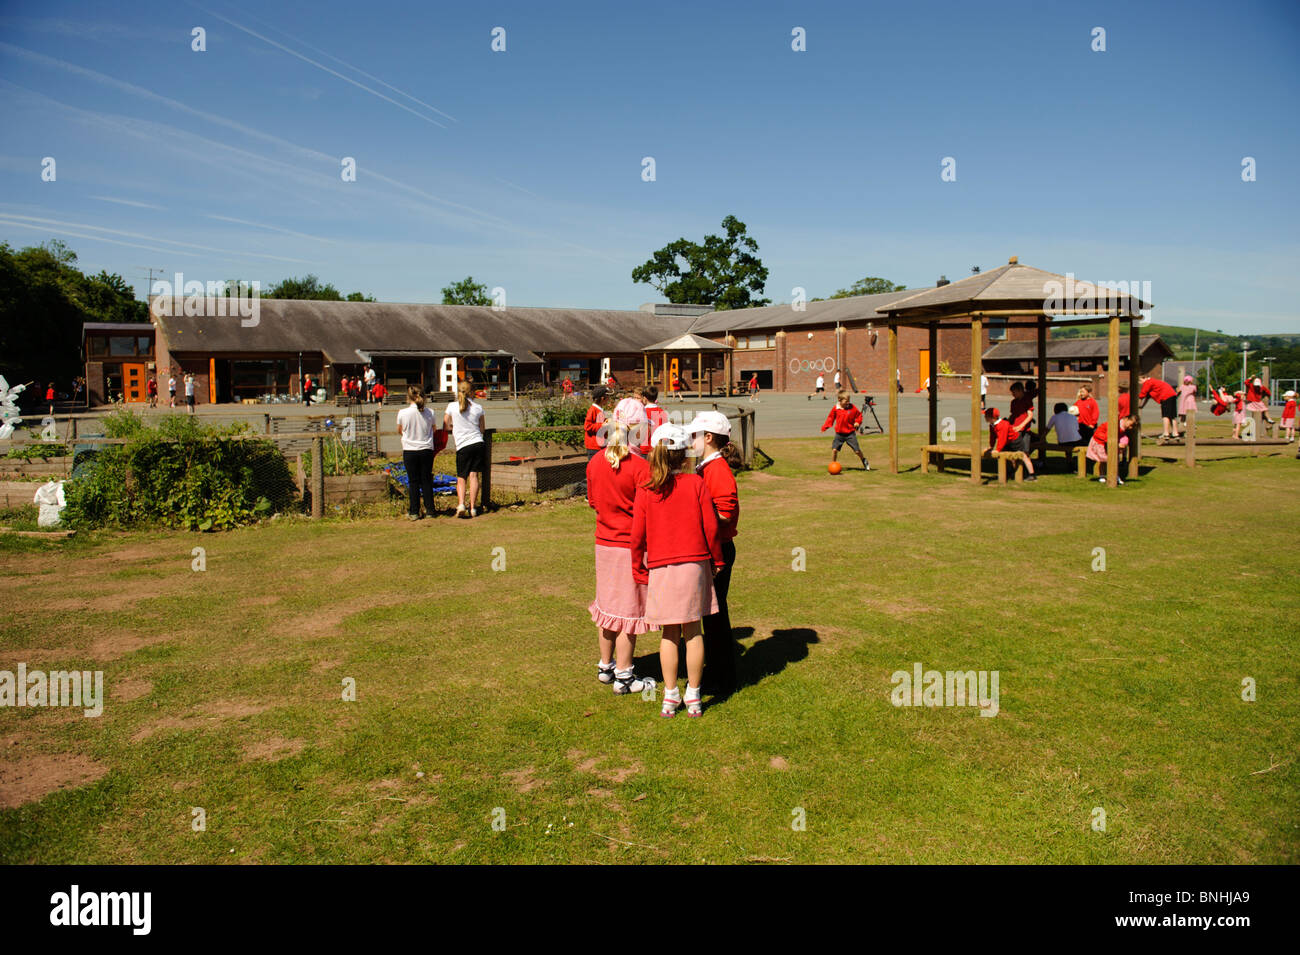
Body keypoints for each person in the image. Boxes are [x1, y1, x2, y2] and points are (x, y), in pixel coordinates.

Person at [630, 424, 723, 718]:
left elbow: (637, 535)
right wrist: (717, 559)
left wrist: (637, 567)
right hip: (694, 564)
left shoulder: (647, 490)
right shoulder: (696, 484)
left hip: (662, 566)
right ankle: (693, 693)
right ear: (684, 454)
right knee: (694, 630)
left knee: (669, 633)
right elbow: (710, 526)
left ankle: (671, 694)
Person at [586, 397, 654, 696]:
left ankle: (605, 665)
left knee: (608, 606)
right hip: (631, 546)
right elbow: (649, 512)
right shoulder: (640, 467)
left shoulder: (595, 462)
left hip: (604, 543)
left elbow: (593, 502)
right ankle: (625, 675)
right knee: (628, 612)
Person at [689, 411, 741, 697]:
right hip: (712, 546)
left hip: (718, 548)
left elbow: (725, 512)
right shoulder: (706, 466)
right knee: (711, 613)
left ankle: (722, 676)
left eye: (695, 435)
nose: (690, 440)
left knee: (715, 614)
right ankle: (717, 669)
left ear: (708, 438)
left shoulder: (717, 469)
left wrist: (693, 515)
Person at [397, 385, 440, 521]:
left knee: (413, 481)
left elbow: (400, 430)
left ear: (408, 397)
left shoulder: (402, 413)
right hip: (426, 448)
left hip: (410, 449)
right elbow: (434, 429)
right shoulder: (430, 412)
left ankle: (414, 511)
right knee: (426, 480)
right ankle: (430, 510)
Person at [444, 379, 486, 518]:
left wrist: (455, 428)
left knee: (461, 477)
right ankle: (473, 507)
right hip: (478, 442)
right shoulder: (478, 408)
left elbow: (446, 425)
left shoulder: (451, 406)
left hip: (462, 445)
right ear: (472, 391)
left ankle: (461, 503)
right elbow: (482, 428)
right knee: (474, 476)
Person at [983, 407, 1036, 481]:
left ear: (992, 417)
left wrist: (998, 449)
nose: (984, 417)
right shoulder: (992, 425)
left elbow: (1002, 438)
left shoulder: (1002, 425)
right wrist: (991, 447)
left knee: (1024, 456)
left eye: (986, 416)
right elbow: (992, 437)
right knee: (1005, 457)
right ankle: (1009, 472)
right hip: (1007, 442)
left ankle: (1032, 475)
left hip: (1015, 441)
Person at [821, 390, 869, 470]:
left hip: (850, 434)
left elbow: (859, 415)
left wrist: (857, 422)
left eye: (849, 401)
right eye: (846, 401)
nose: (848, 403)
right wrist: (825, 427)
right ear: (839, 400)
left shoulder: (852, 407)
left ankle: (864, 460)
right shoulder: (836, 408)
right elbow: (830, 418)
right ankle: (833, 465)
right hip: (839, 434)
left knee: (857, 451)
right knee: (834, 450)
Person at [1087, 415, 1135, 485]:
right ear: (1126, 419)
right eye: (1131, 425)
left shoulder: (1122, 427)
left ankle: (1115, 476)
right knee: (1103, 460)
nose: (1130, 428)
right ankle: (1103, 475)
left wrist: (1123, 442)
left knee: (1114, 459)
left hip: (1107, 441)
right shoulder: (1115, 425)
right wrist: (1117, 444)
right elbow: (1106, 436)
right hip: (1101, 441)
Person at [1138, 373, 1180, 441]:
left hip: (1165, 396)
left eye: (1140, 380)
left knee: (1165, 416)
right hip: (1172, 395)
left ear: (1144, 378)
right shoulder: (1153, 383)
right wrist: (1142, 406)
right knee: (1172, 415)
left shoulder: (1148, 382)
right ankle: (1175, 433)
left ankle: (1166, 434)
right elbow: (1147, 397)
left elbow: (1142, 395)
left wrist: (1137, 404)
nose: (1139, 383)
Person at [637, 385, 668, 455]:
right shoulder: (662, 412)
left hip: (644, 449)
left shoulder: (642, 412)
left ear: (644, 398)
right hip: (657, 449)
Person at [583, 386, 609, 460]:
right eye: (607, 396)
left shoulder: (600, 410)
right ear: (602, 398)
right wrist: (602, 425)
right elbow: (587, 426)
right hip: (594, 446)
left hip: (600, 445)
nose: (608, 399)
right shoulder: (593, 410)